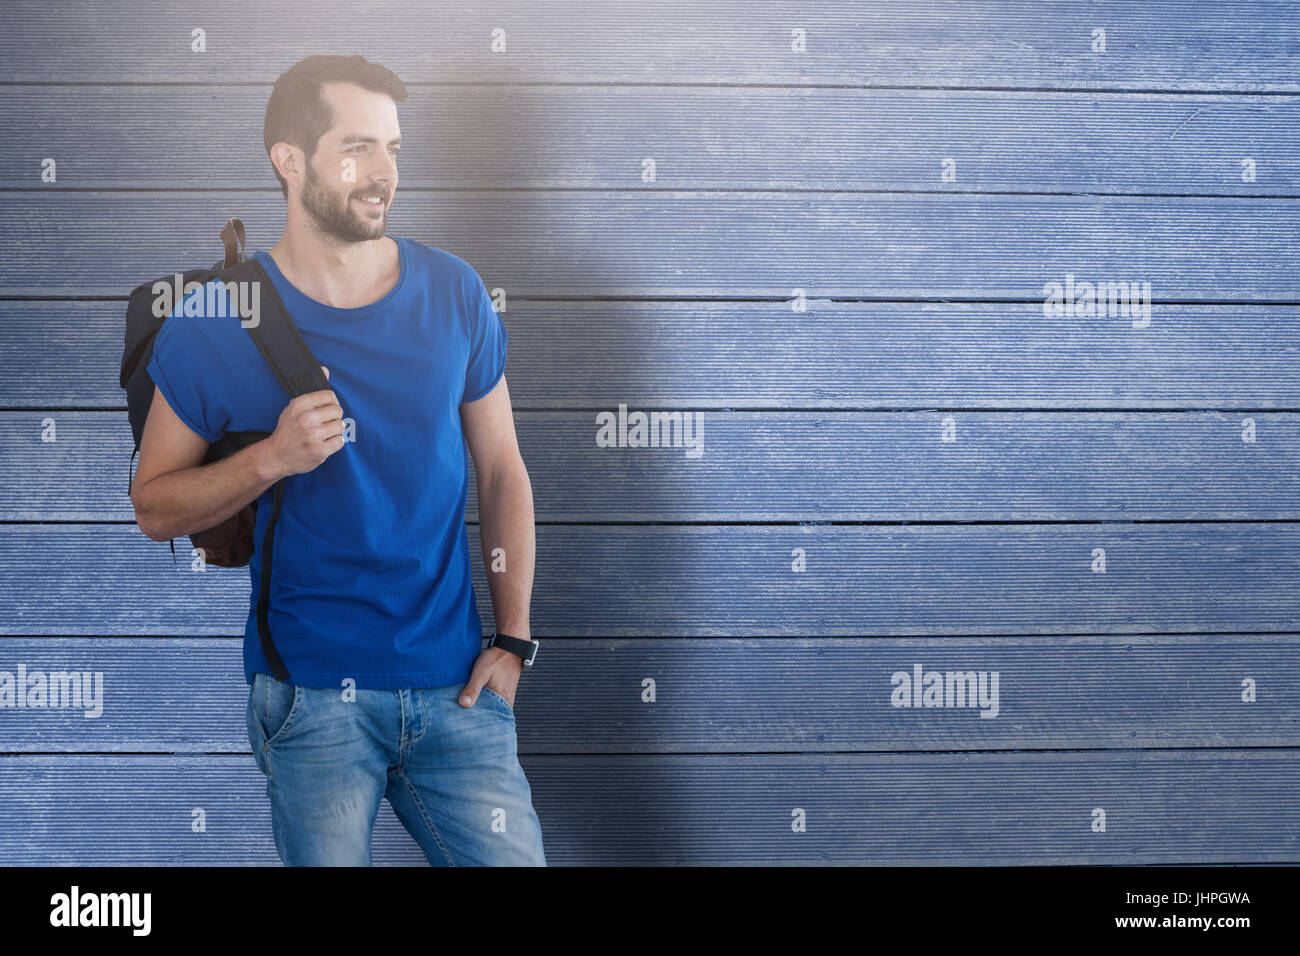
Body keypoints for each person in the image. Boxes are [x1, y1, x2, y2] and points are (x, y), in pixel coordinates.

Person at [129, 54, 545, 866]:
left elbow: (502, 470)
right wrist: (272, 458)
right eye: (359, 147)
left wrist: (516, 639)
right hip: (312, 701)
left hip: (458, 688)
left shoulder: (456, 293)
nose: (384, 172)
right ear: (290, 160)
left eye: (394, 148)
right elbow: (152, 506)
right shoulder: (217, 319)